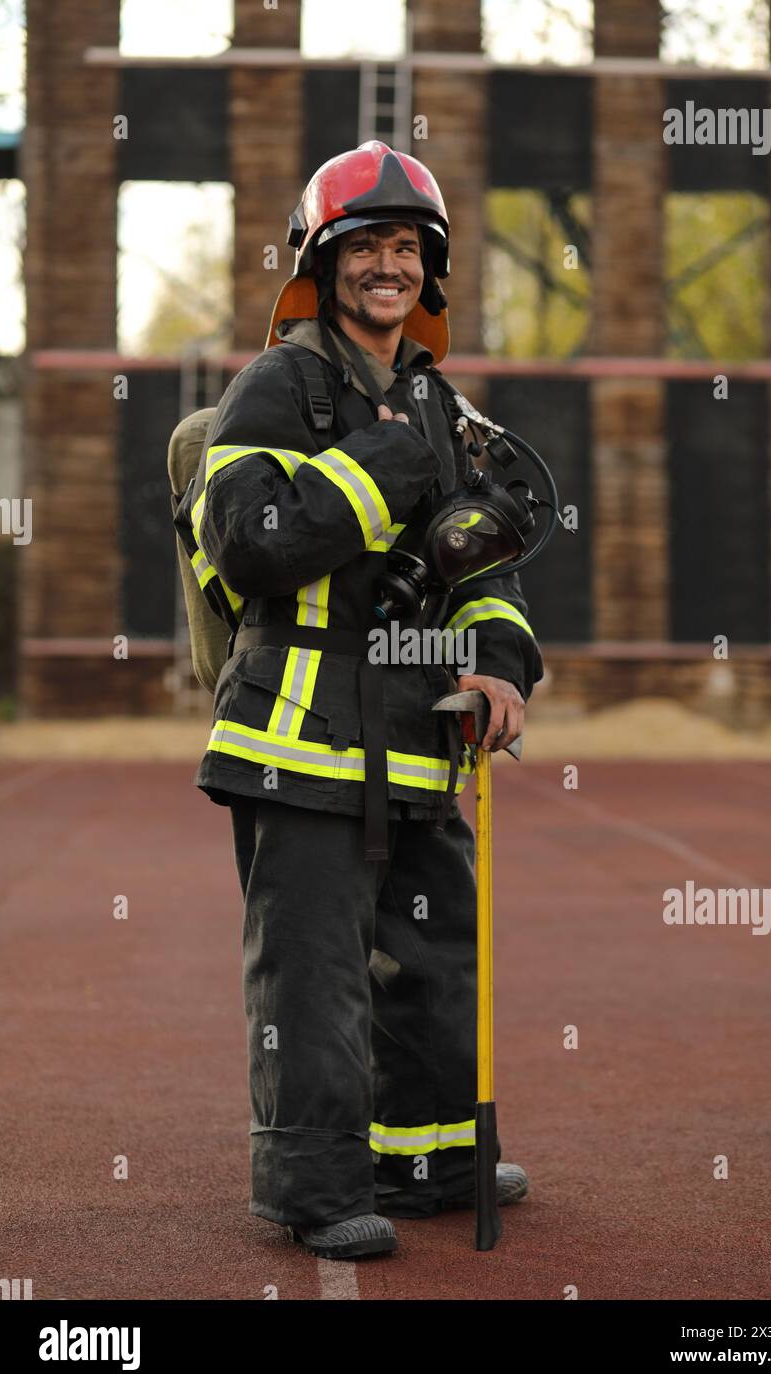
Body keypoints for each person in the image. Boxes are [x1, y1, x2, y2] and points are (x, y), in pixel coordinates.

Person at [179, 141, 544, 1259]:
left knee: (436, 959)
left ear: (426, 273)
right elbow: (246, 546)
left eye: (405, 248)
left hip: (420, 740)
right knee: (314, 973)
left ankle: (428, 1152)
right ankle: (313, 1184)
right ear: (322, 264)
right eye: (363, 247)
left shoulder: (443, 406)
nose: (385, 266)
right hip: (296, 742)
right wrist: (380, 468)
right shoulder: (277, 385)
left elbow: (483, 569)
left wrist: (497, 670)